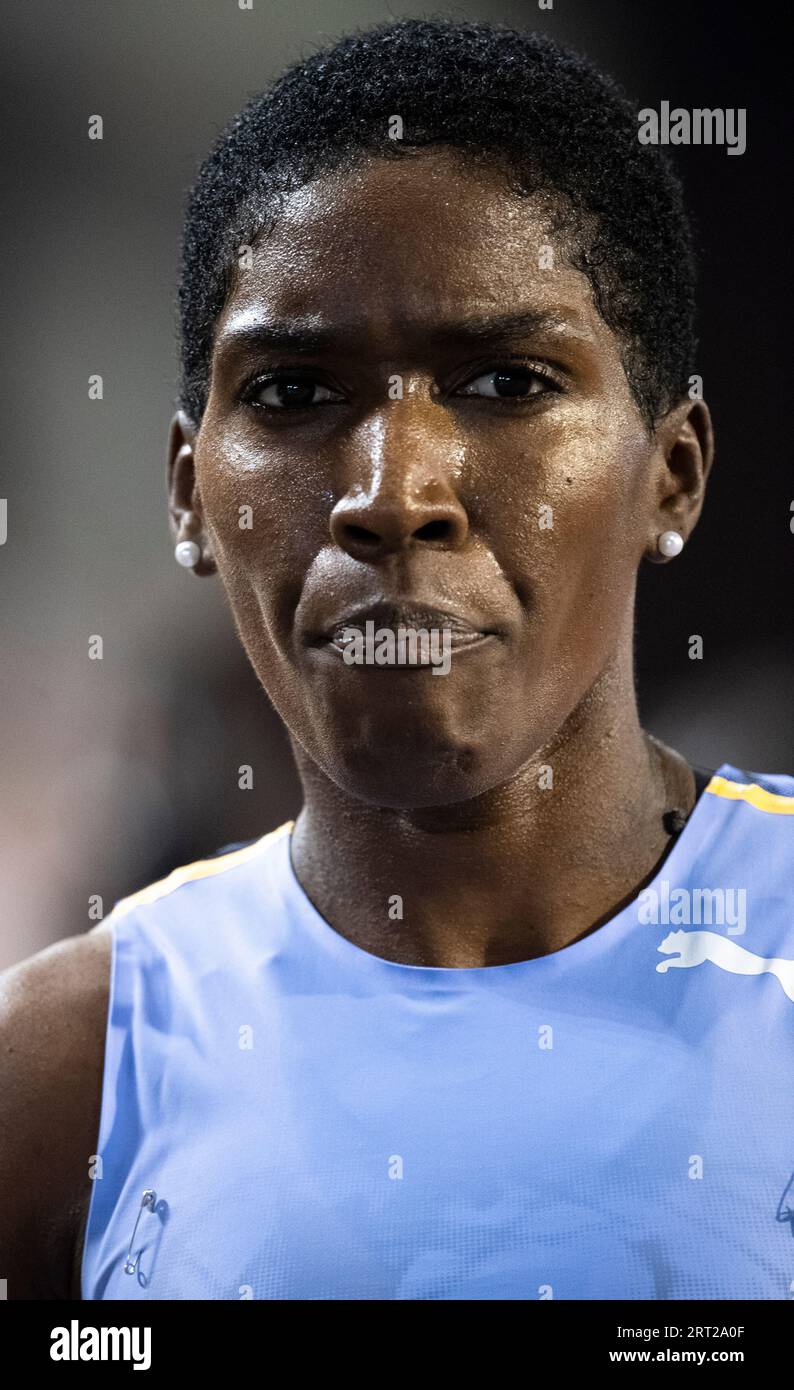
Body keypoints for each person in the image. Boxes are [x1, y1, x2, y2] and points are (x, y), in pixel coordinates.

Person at [2, 18, 792, 1302]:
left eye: (502, 380)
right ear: (189, 493)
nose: (389, 492)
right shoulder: (61, 1070)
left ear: (672, 474)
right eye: (295, 392)